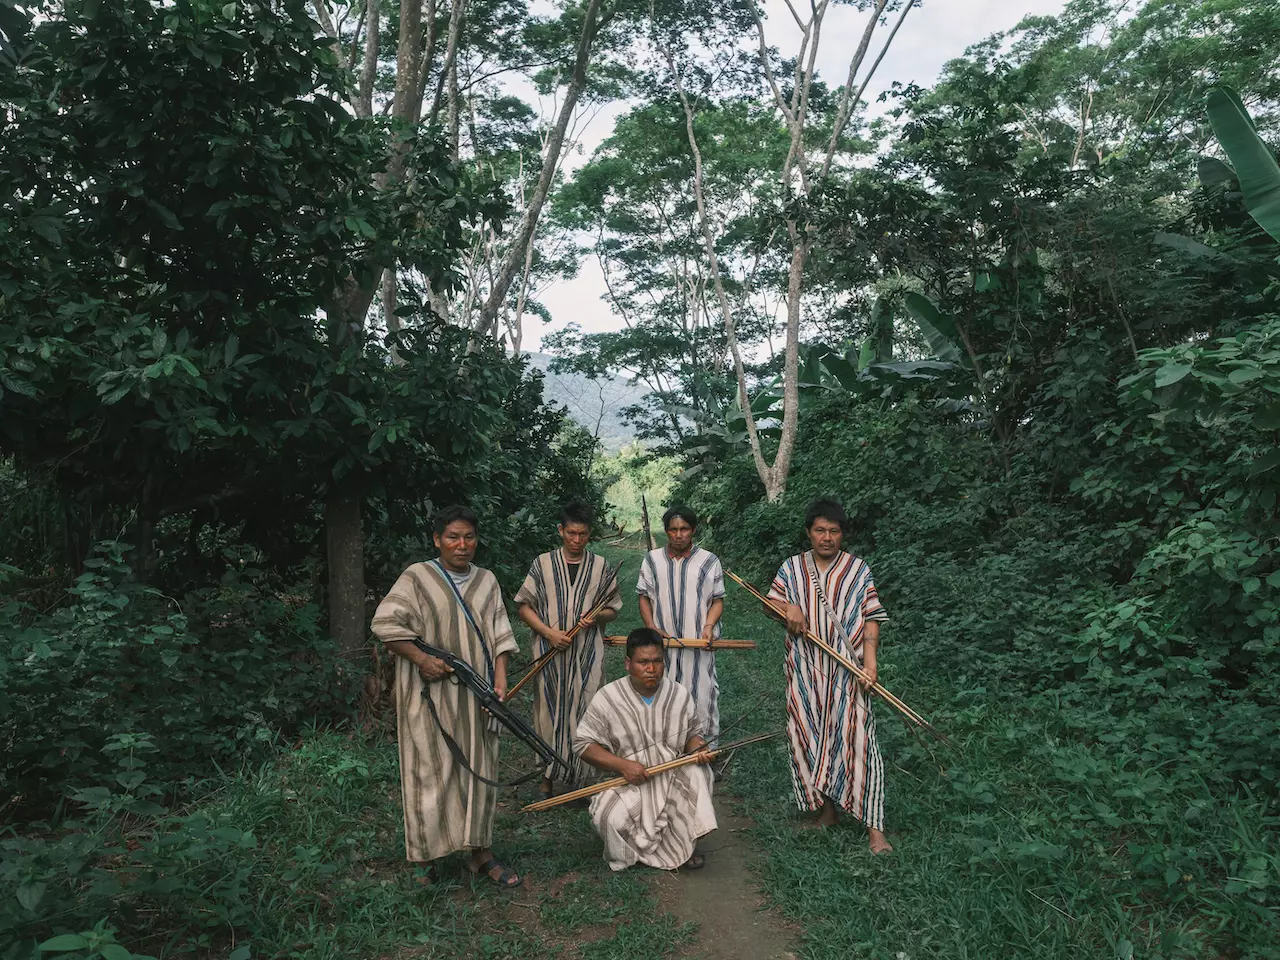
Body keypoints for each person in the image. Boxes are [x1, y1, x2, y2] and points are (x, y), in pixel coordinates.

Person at [370, 505, 524, 887]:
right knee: (429, 771)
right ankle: (425, 860)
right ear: (437, 539)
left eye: (469, 537)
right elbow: (385, 623)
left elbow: (500, 631)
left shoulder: (487, 580)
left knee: (481, 769)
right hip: (430, 696)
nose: (462, 544)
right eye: (453, 537)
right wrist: (422, 659)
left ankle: (480, 852)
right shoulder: (417, 577)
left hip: (479, 694)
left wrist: (500, 680)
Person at [768, 497, 893, 854]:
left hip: (848, 672)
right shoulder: (792, 568)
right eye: (820, 530)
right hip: (805, 670)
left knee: (860, 742)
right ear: (809, 533)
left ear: (842, 535)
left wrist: (870, 664)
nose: (827, 537)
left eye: (834, 531)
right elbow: (770, 604)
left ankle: (874, 828)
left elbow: (871, 616)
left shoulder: (857, 570)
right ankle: (827, 811)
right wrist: (787, 607)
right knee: (808, 736)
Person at [573, 628, 717, 871]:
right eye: (643, 662)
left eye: (657, 661)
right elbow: (583, 744)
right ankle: (647, 850)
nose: (651, 669)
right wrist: (623, 766)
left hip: (670, 777)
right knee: (609, 818)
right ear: (628, 663)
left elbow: (693, 734)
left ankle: (685, 846)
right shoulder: (608, 697)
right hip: (626, 782)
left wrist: (698, 748)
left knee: (698, 776)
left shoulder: (679, 694)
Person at [514, 499, 622, 799]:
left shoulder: (600, 567)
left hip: (588, 653)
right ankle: (547, 780)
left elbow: (613, 610)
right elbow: (524, 606)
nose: (576, 540)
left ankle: (583, 781)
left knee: (588, 710)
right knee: (548, 712)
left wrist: (596, 617)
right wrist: (549, 633)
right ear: (561, 530)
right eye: (571, 533)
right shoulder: (543, 563)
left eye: (583, 535)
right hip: (549, 654)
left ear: (590, 535)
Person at [636, 505, 725, 744]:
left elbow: (717, 600)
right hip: (662, 644)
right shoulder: (653, 560)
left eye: (684, 529)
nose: (678, 534)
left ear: (693, 530)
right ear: (666, 531)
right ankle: (666, 752)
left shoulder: (708, 561)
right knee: (662, 694)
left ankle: (703, 752)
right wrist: (651, 626)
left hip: (698, 644)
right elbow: (643, 595)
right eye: (673, 529)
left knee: (702, 694)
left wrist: (708, 626)